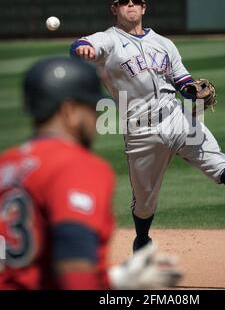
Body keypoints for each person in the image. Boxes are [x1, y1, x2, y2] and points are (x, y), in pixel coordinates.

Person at [70, 0, 225, 252]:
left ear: (144, 7)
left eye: (136, 0)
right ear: (114, 8)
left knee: (217, 161)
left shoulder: (164, 43)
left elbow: (182, 81)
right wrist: (82, 48)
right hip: (141, 131)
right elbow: (83, 44)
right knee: (145, 201)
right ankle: (142, 239)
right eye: (124, 1)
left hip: (177, 117)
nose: (130, 5)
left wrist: (193, 91)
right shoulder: (109, 40)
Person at [0, 56, 182, 289]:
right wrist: (117, 286)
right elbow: (75, 269)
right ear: (70, 111)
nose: (97, 119)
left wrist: (114, 279)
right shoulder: (76, 165)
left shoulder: (7, 163)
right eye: (92, 108)